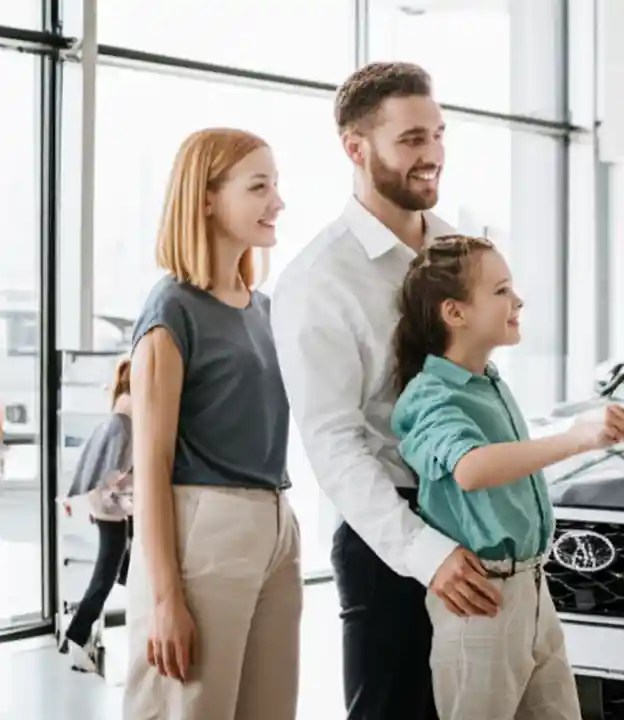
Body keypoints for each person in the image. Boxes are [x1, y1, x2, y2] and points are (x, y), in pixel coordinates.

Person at [271, 61, 493, 719]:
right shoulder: (319, 280)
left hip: (478, 518)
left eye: (439, 135)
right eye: (412, 140)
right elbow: (333, 443)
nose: (434, 156)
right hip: (390, 537)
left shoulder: (463, 252)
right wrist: (426, 554)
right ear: (355, 148)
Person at [390, 234, 624, 719]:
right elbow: (472, 468)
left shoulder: (490, 383)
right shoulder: (431, 396)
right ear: (455, 313)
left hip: (533, 593)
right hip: (482, 607)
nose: (517, 300)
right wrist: (578, 438)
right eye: (501, 290)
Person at [124, 127, 301, 719]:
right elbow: (149, 465)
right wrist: (165, 598)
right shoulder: (171, 309)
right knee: (187, 707)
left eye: (275, 185)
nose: (277, 201)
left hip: (275, 524)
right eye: (259, 187)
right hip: (205, 528)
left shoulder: (263, 309)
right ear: (205, 197)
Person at [59, 356, 135, 675]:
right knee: (105, 575)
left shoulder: (118, 413)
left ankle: (75, 637)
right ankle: (77, 635)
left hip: (108, 507)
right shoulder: (125, 419)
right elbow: (112, 472)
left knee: (119, 568)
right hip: (112, 508)